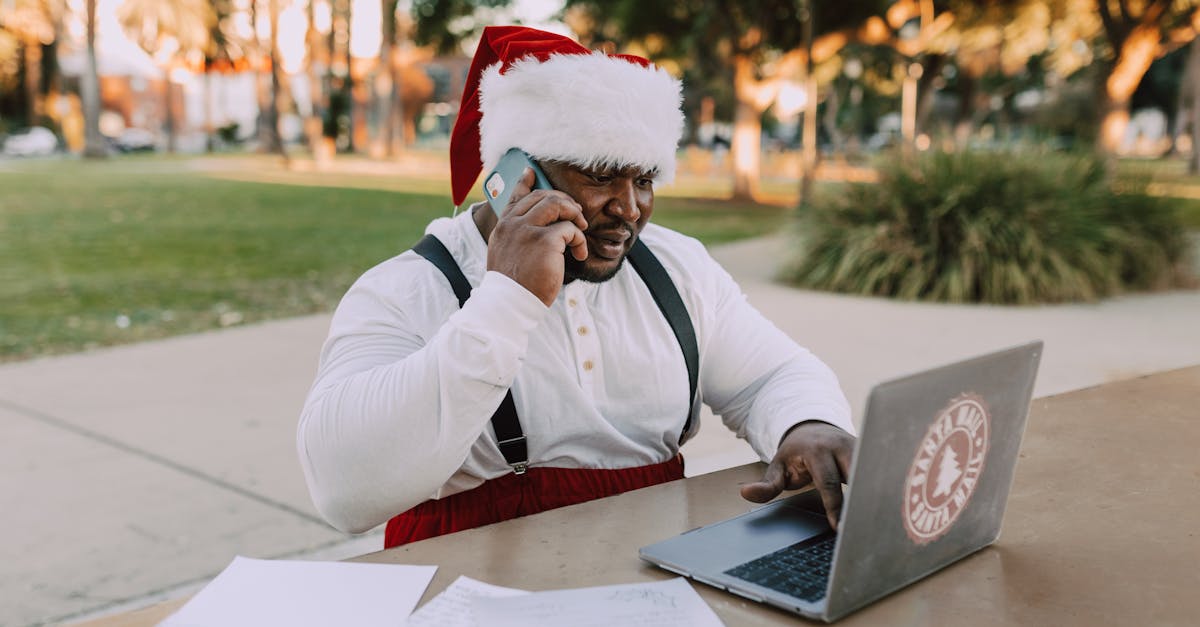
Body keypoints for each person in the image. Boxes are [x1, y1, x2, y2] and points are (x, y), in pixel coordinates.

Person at [297, 26, 855, 548]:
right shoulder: (408, 289)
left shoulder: (676, 268)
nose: (629, 209)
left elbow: (769, 376)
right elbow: (342, 491)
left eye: (644, 179)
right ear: (514, 174)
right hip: (471, 588)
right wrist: (506, 301)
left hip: (652, 569)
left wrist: (806, 423)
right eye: (600, 174)